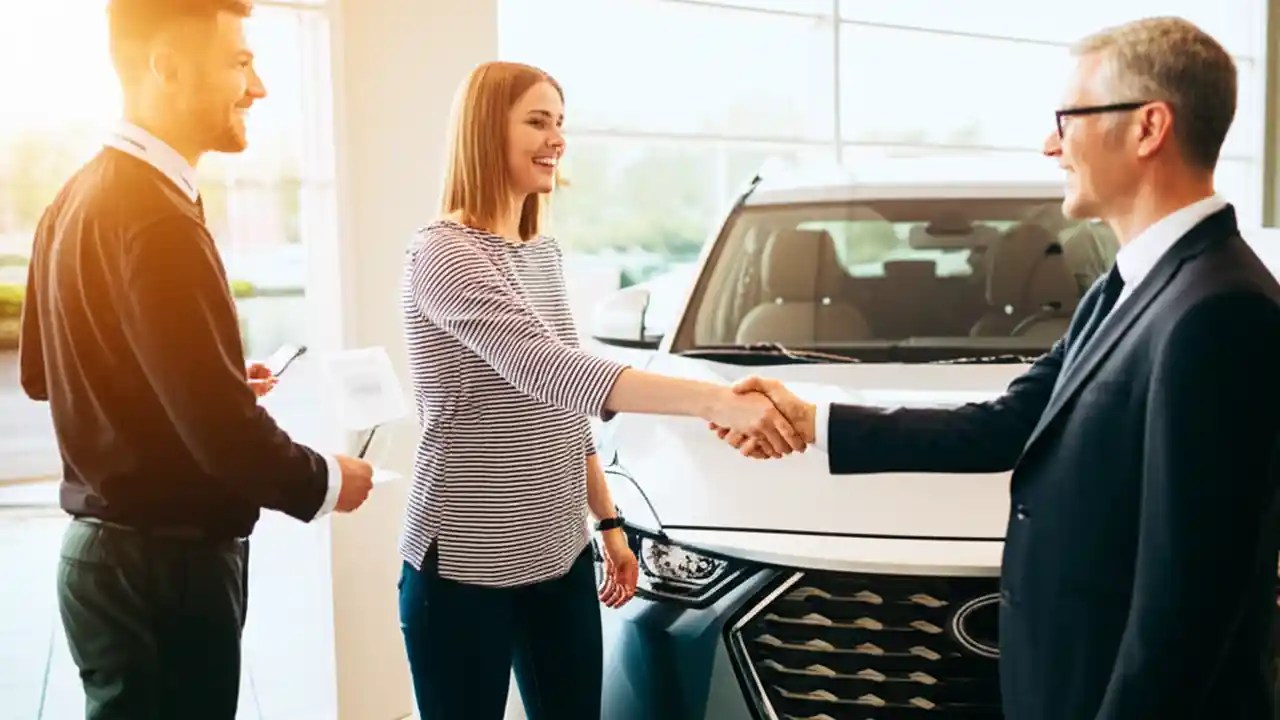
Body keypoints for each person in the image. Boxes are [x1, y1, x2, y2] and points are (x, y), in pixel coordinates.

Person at [713, 16, 1280, 720]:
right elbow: (1009, 423)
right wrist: (813, 419)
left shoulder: (1221, 311)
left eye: (1067, 119)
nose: (1052, 143)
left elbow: (1192, 597)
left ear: (1147, 128)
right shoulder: (1130, 283)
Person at [398, 60, 805, 719]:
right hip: (463, 564)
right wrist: (716, 401)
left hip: (557, 552)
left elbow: (561, 406)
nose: (557, 139)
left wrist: (606, 520)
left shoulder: (541, 254)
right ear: (482, 130)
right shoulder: (444, 253)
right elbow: (550, 369)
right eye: (537, 121)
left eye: (560, 123)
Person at [17, 1, 375, 717]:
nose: (259, 88)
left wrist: (194, 374)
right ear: (167, 69)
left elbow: (41, 372)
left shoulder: (76, 196)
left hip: (98, 563)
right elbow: (220, 435)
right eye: (240, 63)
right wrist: (328, 478)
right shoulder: (157, 217)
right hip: (166, 571)